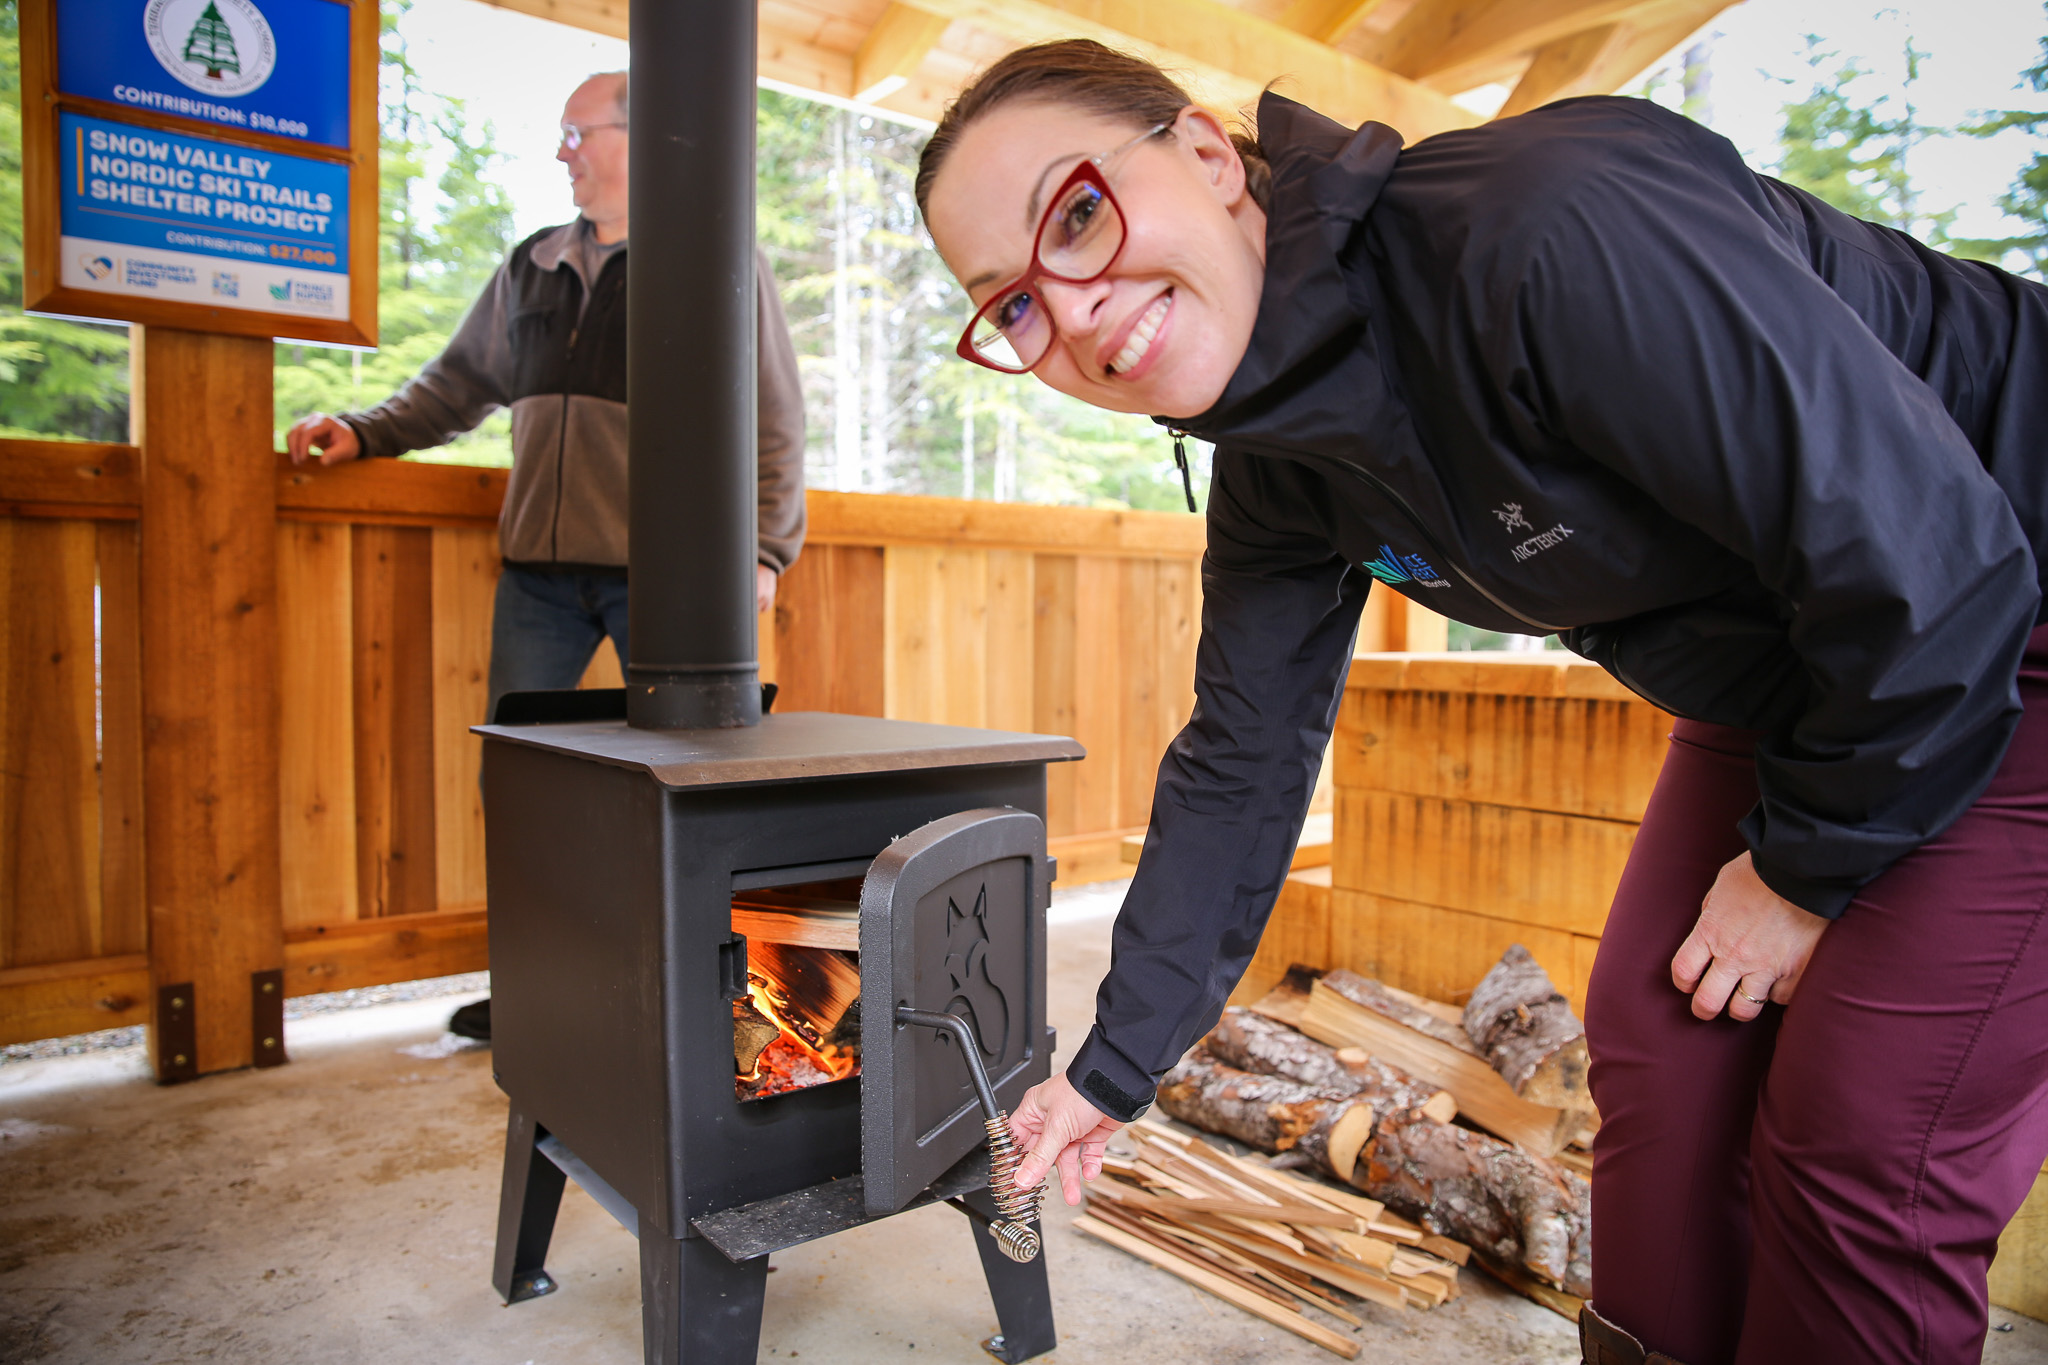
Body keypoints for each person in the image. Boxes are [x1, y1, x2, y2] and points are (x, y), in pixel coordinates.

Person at [915, 39, 2048, 1365]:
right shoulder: (1282, 467)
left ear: (1212, 156)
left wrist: (1802, 872)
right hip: (1802, 653)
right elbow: (1243, 754)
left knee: (1864, 1125)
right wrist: (1112, 1067)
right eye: (1015, 309)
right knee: (1661, 1047)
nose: (1078, 308)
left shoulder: (1543, 233)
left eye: (1082, 213)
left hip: (2000, 593)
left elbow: (1934, 563)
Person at [286, 71, 807, 1042]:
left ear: (636, 139)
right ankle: (537, 990)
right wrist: (363, 432)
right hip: (537, 580)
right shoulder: (530, 266)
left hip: (669, 581)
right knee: (521, 784)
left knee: (688, 786)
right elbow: (454, 385)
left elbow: (772, 415)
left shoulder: (710, 259)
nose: (562, 151)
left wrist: (766, 553)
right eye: (561, 135)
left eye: (577, 132)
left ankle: (700, 994)